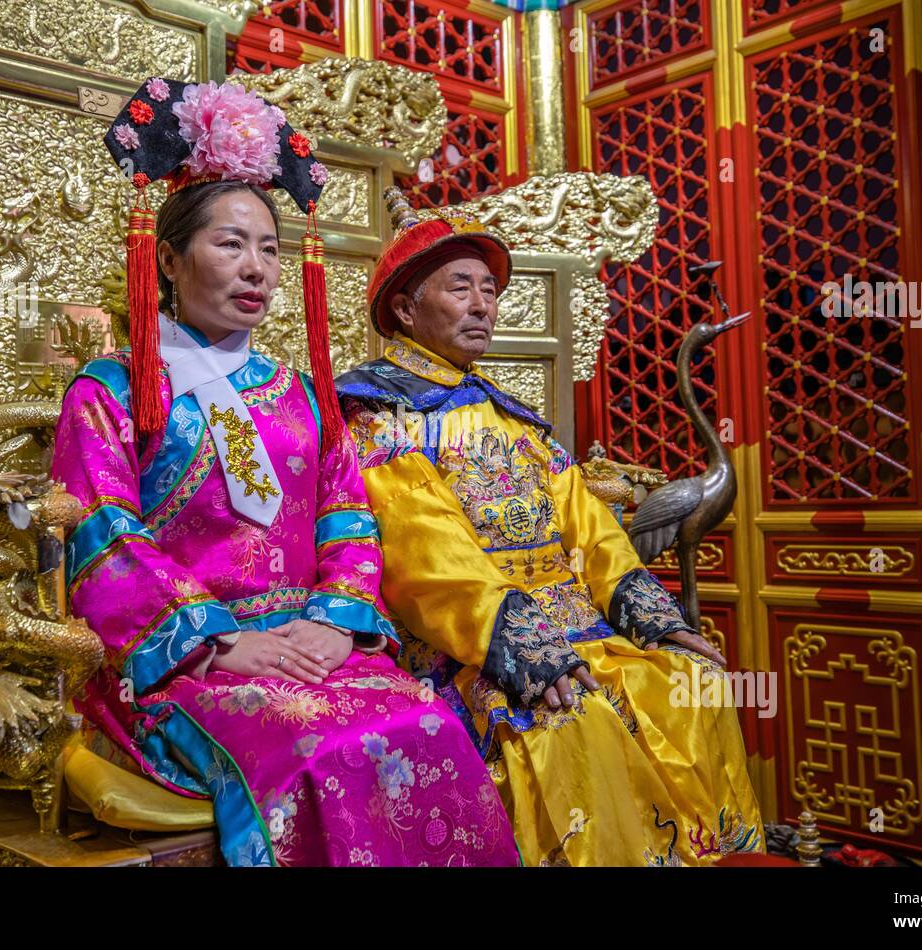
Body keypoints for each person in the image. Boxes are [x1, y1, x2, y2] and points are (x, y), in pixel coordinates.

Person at [53, 78, 519, 867]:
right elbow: (104, 533)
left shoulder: (300, 394)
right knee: (314, 750)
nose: (257, 269)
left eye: (269, 248)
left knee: (429, 722)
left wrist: (335, 624)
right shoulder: (113, 389)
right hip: (180, 663)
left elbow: (348, 517)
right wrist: (216, 644)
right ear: (168, 257)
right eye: (230, 244)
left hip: (309, 640)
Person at [335, 188, 765, 866]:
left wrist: (654, 616)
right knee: (568, 720)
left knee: (691, 683)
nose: (483, 305)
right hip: (470, 644)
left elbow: (592, 529)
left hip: (580, 629)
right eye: (459, 289)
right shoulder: (381, 416)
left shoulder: (515, 419)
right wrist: (524, 649)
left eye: (488, 290)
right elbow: (427, 556)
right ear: (403, 307)